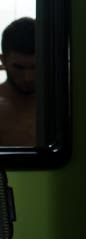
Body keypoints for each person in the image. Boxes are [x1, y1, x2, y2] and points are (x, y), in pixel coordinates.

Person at [0, 17, 36, 146]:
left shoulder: (62, 103)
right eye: (18, 67)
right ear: (3, 60)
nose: (28, 78)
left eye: (36, 67)